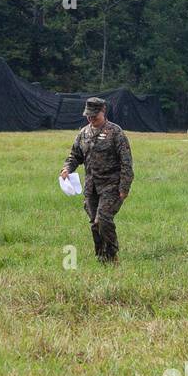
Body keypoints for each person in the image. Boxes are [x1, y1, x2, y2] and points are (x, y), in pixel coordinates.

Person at [60, 97, 134, 263]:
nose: (91, 119)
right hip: (91, 187)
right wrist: (66, 168)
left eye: (95, 115)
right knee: (94, 223)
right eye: (89, 115)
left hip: (111, 185)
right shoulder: (84, 133)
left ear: (103, 112)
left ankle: (112, 255)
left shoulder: (115, 133)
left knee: (103, 219)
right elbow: (74, 155)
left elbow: (126, 163)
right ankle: (101, 257)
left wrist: (124, 187)